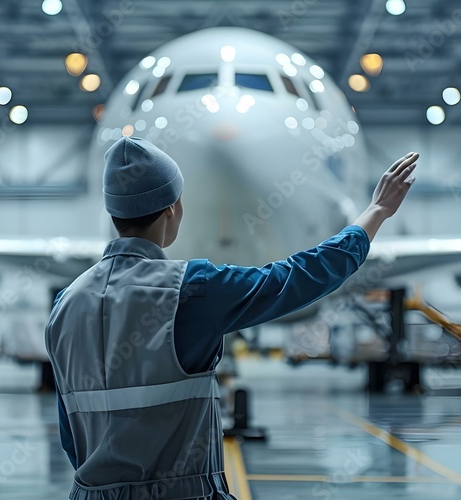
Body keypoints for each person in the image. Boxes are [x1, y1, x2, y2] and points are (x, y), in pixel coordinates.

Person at [45, 136, 418, 499]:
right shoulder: (190, 289)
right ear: (172, 208)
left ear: (113, 213)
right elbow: (296, 278)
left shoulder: (65, 304)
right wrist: (376, 212)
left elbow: (70, 435)